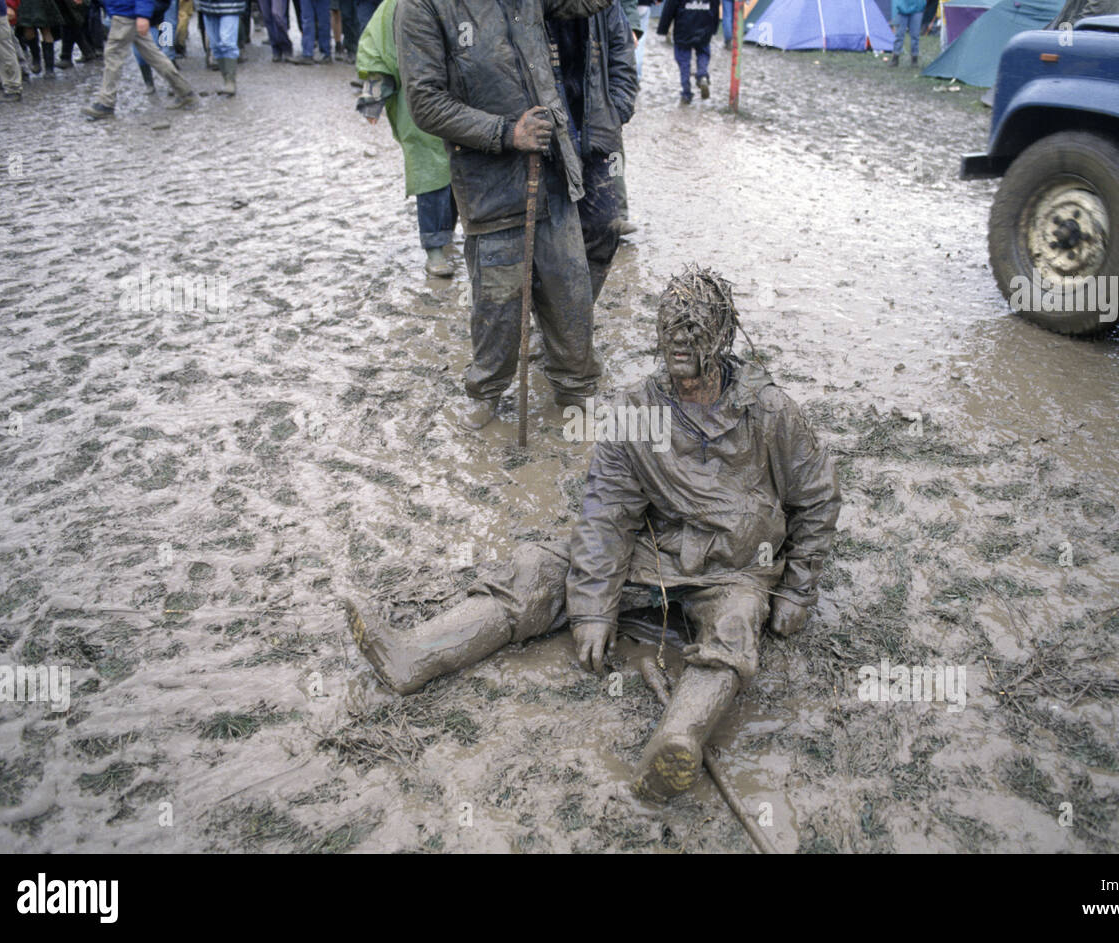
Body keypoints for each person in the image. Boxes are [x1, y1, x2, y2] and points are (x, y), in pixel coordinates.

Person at [345, 265, 841, 801]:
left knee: (736, 627)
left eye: (695, 327)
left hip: (733, 569)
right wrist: (592, 608)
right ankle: (417, 653)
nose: (680, 337)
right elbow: (606, 513)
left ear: (722, 334)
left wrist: (796, 589)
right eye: (671, 324)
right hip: (651, 550)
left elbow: (816, 499)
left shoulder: (770, 411)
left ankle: (677, 741)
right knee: (539, 569)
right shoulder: (634, 411)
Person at [399, 0, 613, 430]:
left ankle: (574, 388)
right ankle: (486, 393)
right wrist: (505, 133)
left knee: (569, 291)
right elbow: (425, 102)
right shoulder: (421, 8)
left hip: (553, 172)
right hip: (489, 185)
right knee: (498, 306)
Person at [356, 0, 459, 276]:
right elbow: (377, 45)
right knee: (431, 173)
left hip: (465, 99)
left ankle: (452, 234)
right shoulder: (397, 4)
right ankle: (435, 248)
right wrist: (373, 97)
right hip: (419, 101)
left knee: (463, 172)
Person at [546, 0, 636, 300]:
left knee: (603, 226)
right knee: (549, 233)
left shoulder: (603, 6)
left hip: (596, 127)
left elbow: (622, 53)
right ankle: (551, 315)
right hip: (546, 134)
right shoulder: (529, 7)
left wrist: (617, 109)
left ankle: (580, 308)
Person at [81, 0, 198, 117]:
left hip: (128, 11)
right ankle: (184, 92)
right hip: (131, 11)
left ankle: (106, 102)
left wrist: (143, 14)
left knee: (116, 55)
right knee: (155, 53)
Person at [657, 0, 717, 106]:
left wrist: (663, 28)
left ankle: (686, 92)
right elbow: (715, 7)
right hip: (704, 27)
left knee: (683, 60)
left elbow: (669, 8)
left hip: (682, 29)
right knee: (703, 53)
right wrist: (714, 28)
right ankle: (702, 75)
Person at [196, 0, 242, 92]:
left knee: (227, 43)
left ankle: (230, 81)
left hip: (230, 6)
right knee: (215, 46)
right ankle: (226, 79)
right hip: (207, 7)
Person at [890, 0, 924, 67]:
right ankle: (895, 58)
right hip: (901, 7)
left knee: (915, 35)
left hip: (917, 7)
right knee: (899, 35)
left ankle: (914, 59)